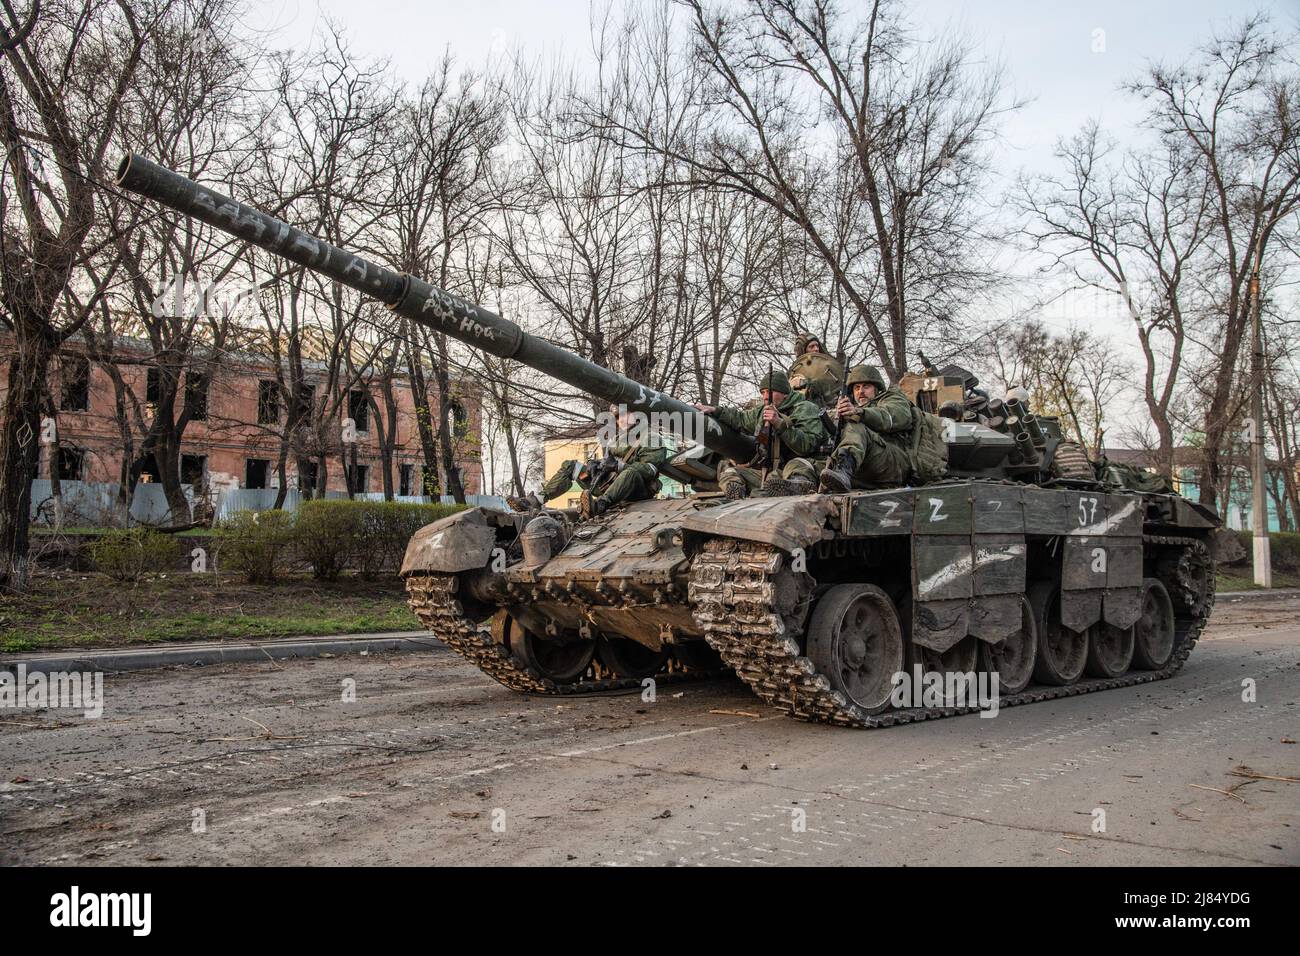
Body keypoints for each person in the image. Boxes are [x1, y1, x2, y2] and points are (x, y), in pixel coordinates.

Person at [694, 370, 828, 498]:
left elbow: (807, 445)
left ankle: (797, 486)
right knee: (729, 471)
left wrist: (779, 424)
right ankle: (735, 492)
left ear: (785, 393)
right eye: (762, 392)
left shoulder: (805, 408)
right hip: (775, 474)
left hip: (803, 466)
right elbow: (740, 418)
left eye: (770, 392)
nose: (765, 397)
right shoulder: (762, 411)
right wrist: (715, 411)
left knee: (795, 466)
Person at [785, 364, 918, 492]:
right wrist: (838, 420)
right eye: (857, 388)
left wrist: (859, 413)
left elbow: (893, 416)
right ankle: (799, 483)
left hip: (891, 465)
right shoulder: (851, 409)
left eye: (866, 386)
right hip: (858, 470)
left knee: (855, 425)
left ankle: (842, 469)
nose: (861, 391)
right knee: (800, 464)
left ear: (877, 388)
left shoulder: (891, 399)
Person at [513, 409, 669, 517]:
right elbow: (608, 462)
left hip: (636, 490)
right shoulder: (614, 440)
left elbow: (650, 470)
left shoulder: (650, 437)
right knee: (571, 466)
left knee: (630, 472)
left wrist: (618, 466)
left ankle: (599, 506)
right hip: (609, 484)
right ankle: (536, 501)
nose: (621, 419)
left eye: (626, 414)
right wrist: (597, 464)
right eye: (618, 417)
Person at [788, 332, 844, 408]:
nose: (816, 349)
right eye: (811, 347)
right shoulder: (794, 371)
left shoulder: (829, 367)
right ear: (802, 350)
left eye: (817, 346)